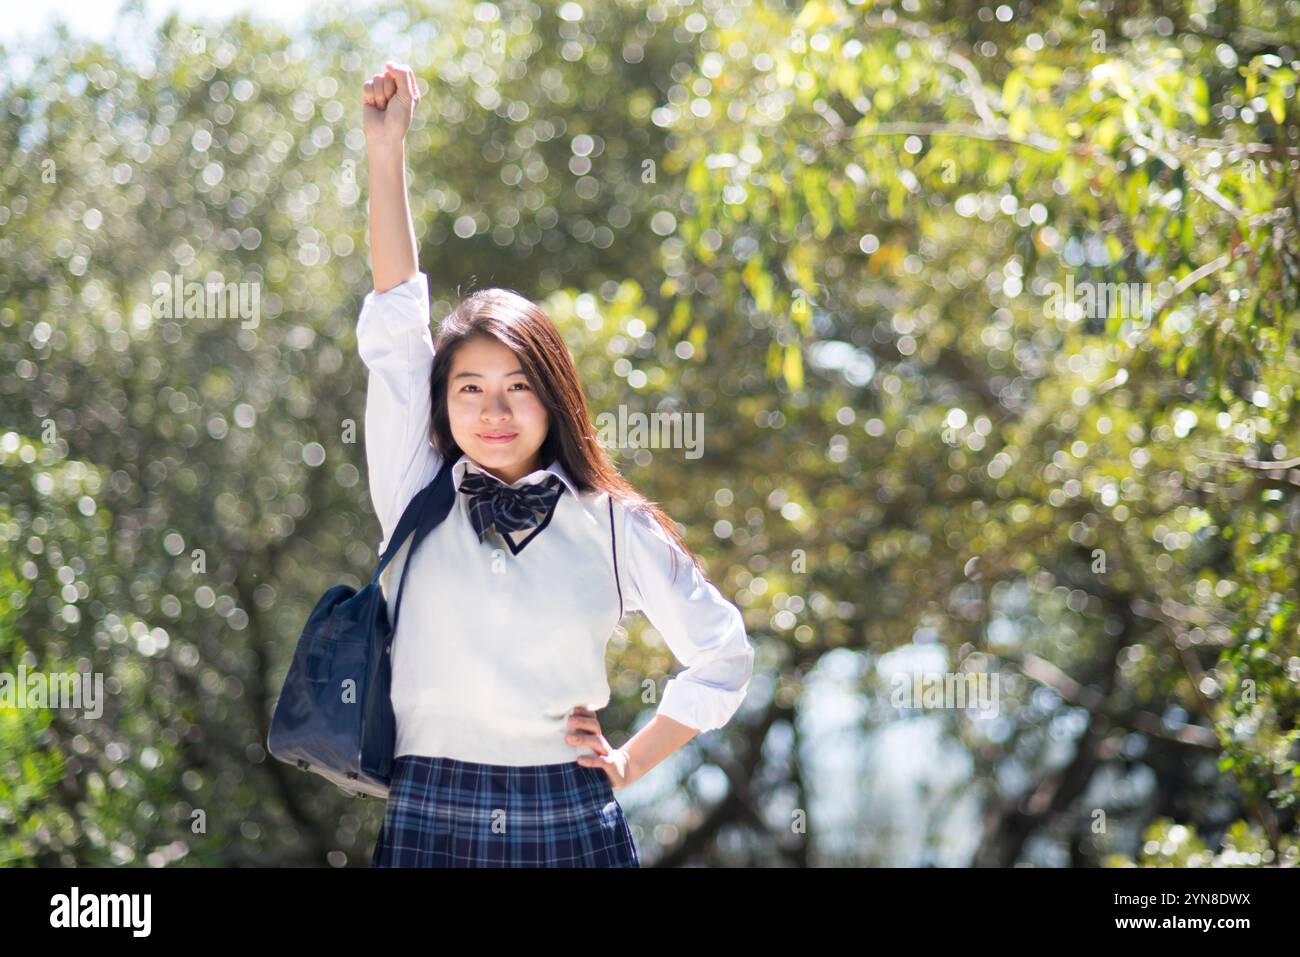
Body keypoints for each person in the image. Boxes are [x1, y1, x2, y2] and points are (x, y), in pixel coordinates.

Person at [360, 62, 754, 867]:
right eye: (469, 387)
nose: (493, 412)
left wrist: (632, 761)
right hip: (428, 807)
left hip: (567, 813)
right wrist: (386, 151)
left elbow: (724, 655)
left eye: (518, 388)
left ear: (556, 398)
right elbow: (399, 318)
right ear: (442, 401)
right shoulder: (414, 488)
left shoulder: (615, 523)